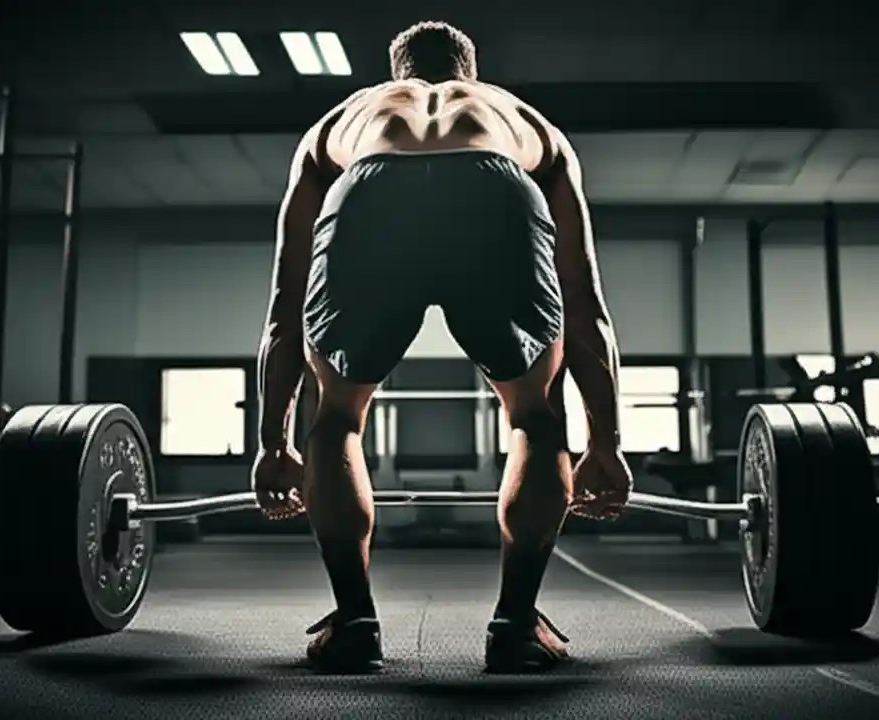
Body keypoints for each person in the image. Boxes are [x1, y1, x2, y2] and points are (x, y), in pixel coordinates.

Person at [252, 20, 631, 674]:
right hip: (497, 183)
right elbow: (584, 299)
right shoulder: (523, 120)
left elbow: (285, 307)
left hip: (369, 182)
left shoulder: (341, 120)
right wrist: (607, 444)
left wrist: (272, 443)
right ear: (471, 75)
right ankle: (516, 627)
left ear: (396, 75)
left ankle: (355, 623)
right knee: (536, 420)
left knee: (336, 418)